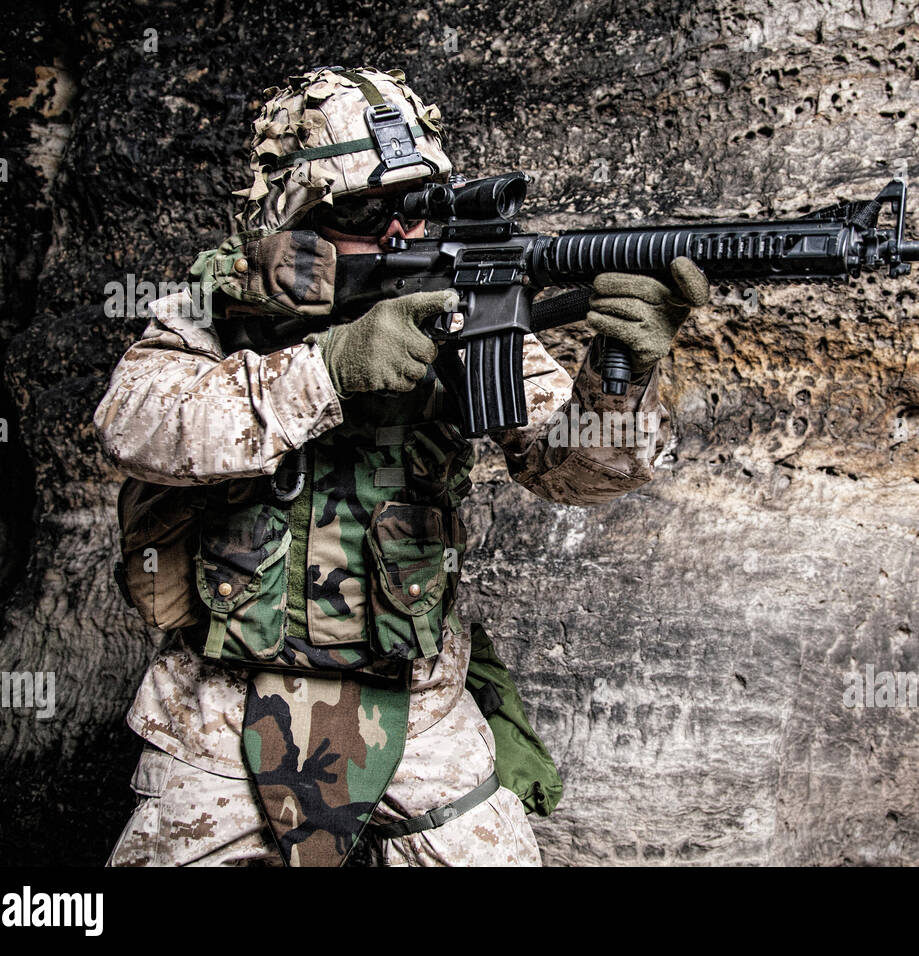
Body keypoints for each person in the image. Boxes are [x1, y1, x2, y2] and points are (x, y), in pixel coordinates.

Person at [94, 65, 708, 866]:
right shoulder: (214, 313)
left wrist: (621, 371)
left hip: (416, 706)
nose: (399, 233)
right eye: (364, 212)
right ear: (294, 215)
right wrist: (328, 369)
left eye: (420, 209)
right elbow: (131, 426)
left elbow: (570, 473)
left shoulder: (461, 315)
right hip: (215, 705)